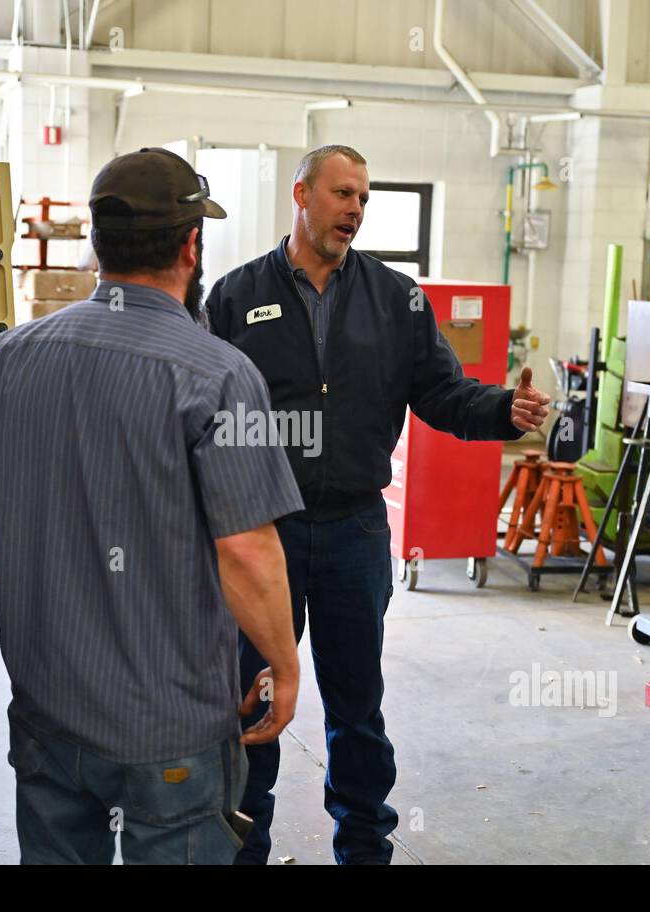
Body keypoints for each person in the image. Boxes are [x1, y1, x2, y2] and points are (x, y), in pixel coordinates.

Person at [0, 147, 304, 864]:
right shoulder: (217, 374)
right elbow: (244, 549)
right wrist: (283, 662)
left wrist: (18, 537)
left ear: (98, 247)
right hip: (169, 730)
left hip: (48, 716)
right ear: (191, 245)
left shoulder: (14, 353)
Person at [205, 144, 551, 865]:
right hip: (264, 531)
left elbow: (442, 393)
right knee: (254, 698)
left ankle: (365, 850)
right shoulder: (236, 297)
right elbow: (205, 414)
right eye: (342, 195)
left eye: (363, 198)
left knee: (357, 707)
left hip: (357, 532)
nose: (355, 210)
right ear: (301, 194)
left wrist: (501, 410)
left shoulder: (398, 299)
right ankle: (241, 850)